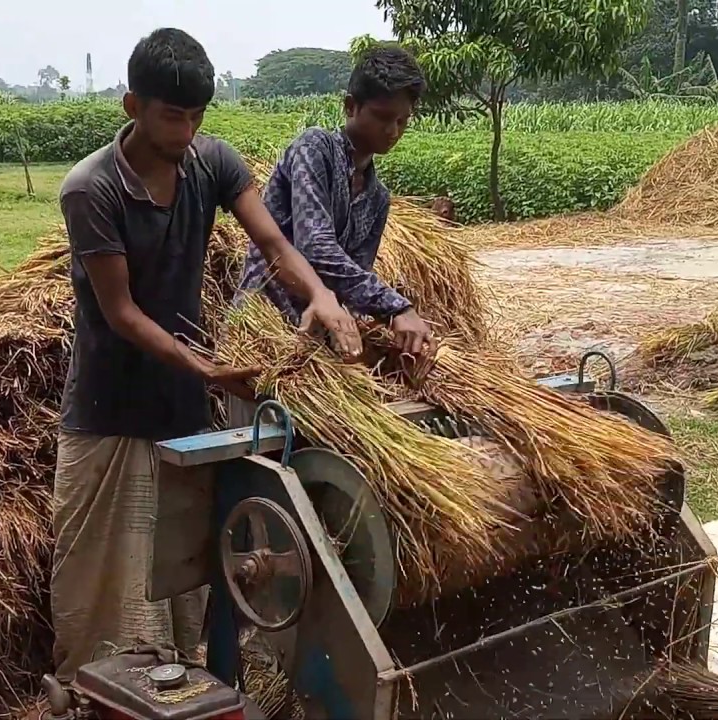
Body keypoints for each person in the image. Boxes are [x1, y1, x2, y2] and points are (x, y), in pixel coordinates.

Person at [51, 27, 360, 683]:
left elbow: (274, 244)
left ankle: (188, 689)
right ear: (133, 106)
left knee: (183, 577)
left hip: (184, 409)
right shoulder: (92, 188)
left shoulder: (211, 163)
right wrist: (209, 368)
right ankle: (101, 695)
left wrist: (321, 296)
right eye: (173, 115)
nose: (187, 131)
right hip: (110, 413)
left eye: (197, 116)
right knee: (106, 590)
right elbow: (121, 312)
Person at [237, 45, 435, 359]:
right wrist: (396, 307)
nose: (393, 130)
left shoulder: (377, 198)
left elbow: (354, 275)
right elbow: (315, 248)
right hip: (263, 326)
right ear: (350, 106)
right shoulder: (314, 148)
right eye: (383, 117)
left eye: (402, 120)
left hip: (317, 341)